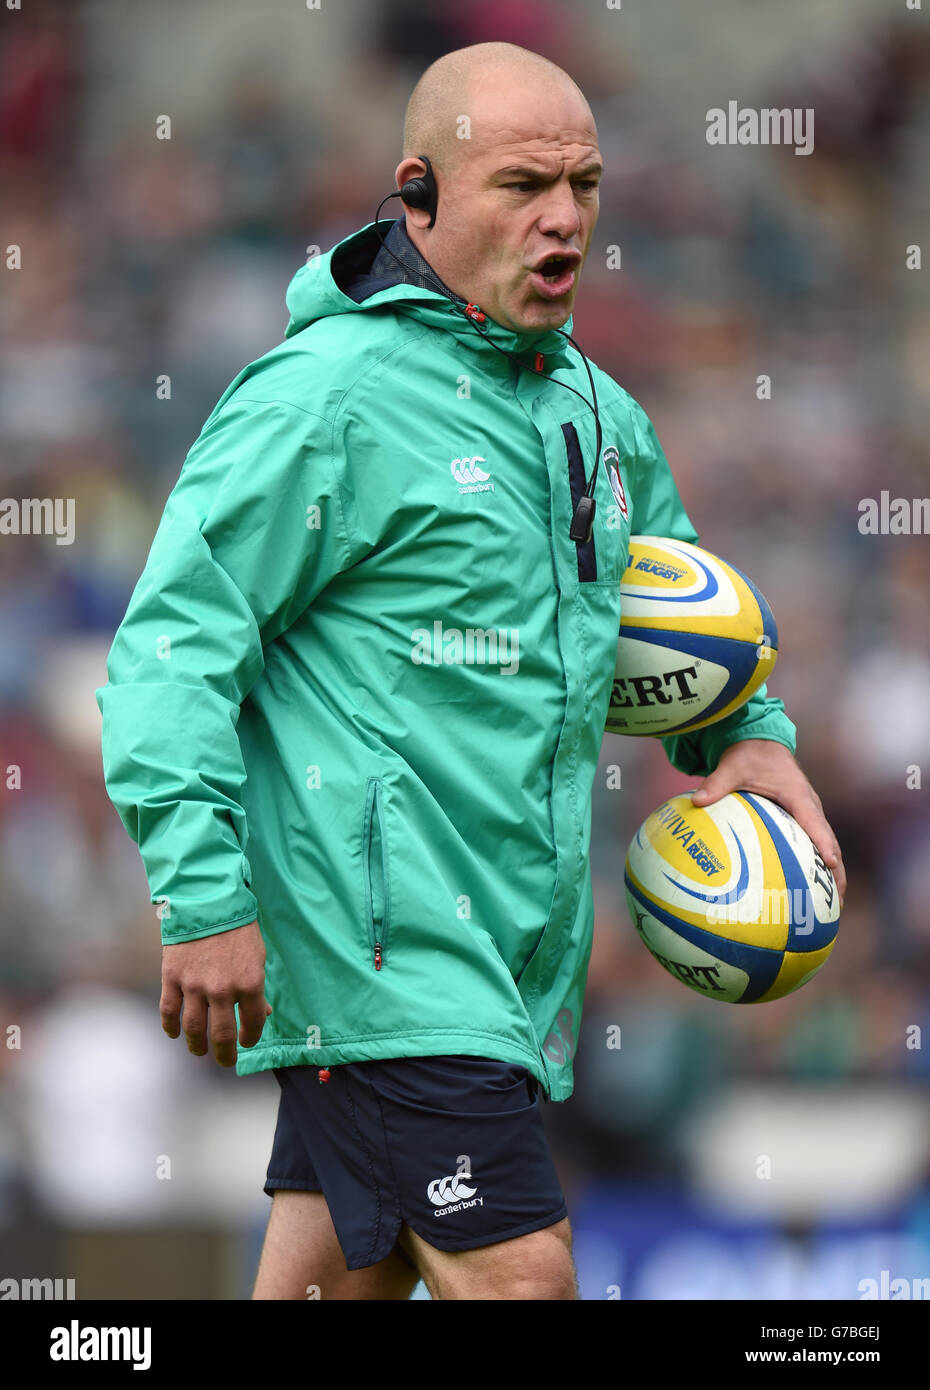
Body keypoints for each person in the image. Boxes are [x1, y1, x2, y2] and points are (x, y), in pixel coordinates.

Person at [96, 42, 846, 1301]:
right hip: (382, 955)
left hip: (504, 958)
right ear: (419, 191)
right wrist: (204, 892)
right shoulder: (320, 399)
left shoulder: (598, 414)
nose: (565, 218)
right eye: (523, 185)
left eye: (586, 184)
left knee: (335, 1283)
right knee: (523, 1281)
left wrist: (749, 735)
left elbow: (678, 608)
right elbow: (169, 648)